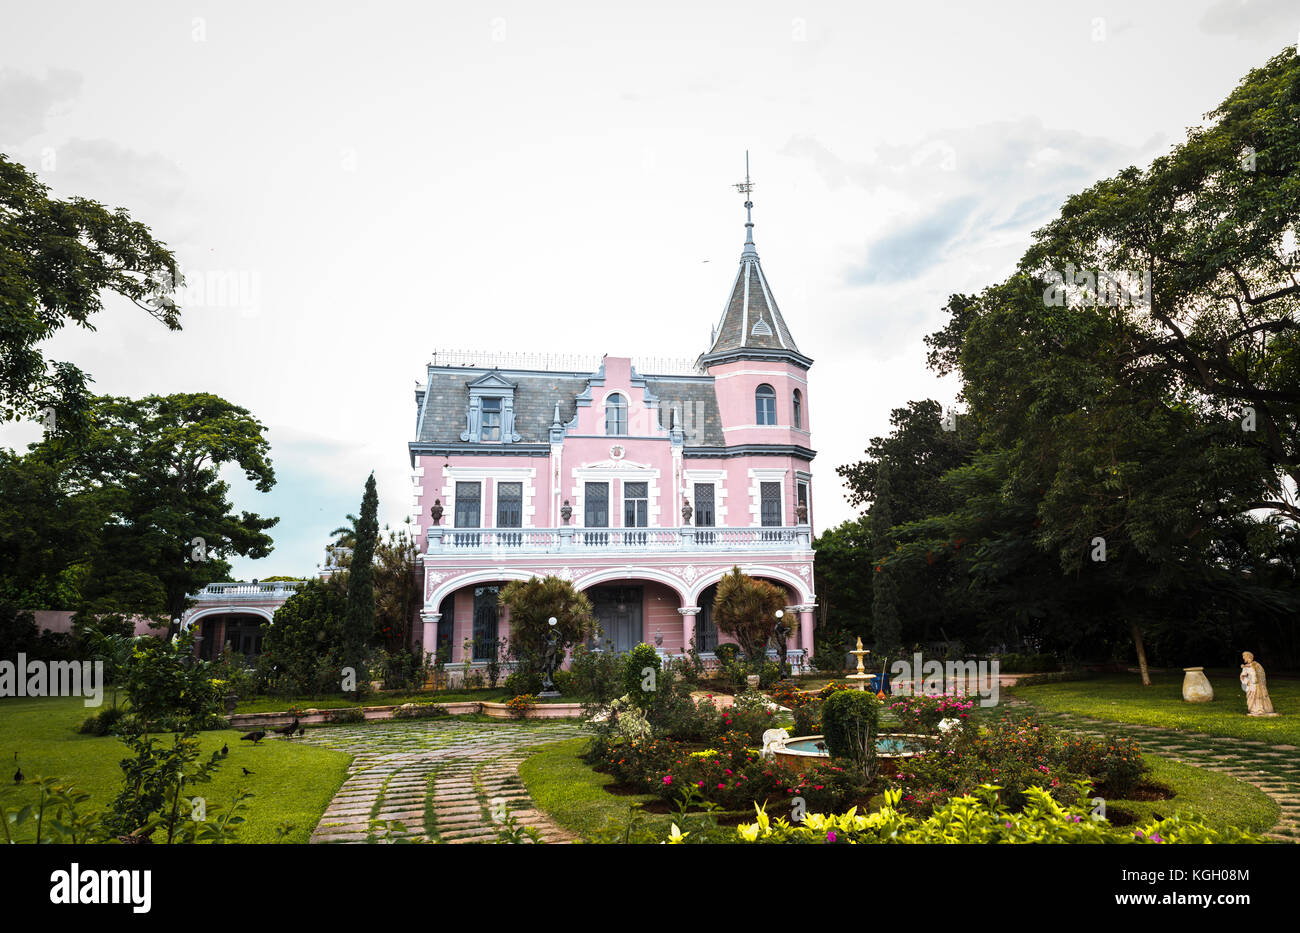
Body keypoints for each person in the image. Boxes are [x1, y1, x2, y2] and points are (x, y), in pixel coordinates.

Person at [1240, 651, 1278, 717]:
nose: (1244, 659)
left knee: (1260, 697)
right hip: (1251, 685)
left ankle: (1261, 709)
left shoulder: (1257, 665)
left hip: (1258, 685)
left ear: (1248, 657)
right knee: (1252, 698)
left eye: (1244, 657)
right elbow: (1242, 676)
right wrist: (1246, 682)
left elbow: (1261, 674)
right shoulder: (1245, 668)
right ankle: (1254, 709)